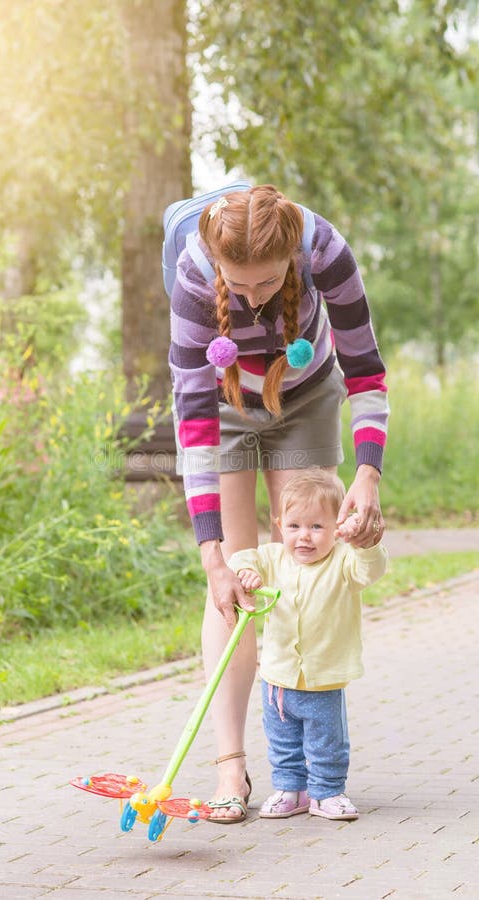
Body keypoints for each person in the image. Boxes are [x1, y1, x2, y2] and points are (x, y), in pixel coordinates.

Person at [168, 184, 389, 822]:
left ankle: (312, 763)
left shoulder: (327, 254)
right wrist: (210, 552)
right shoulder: (192, 278)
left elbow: (367, 372)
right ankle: (230, 765)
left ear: (293, 257)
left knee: (310, 563)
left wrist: (368, 474)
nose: (253, 298)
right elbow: (194, 428)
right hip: (226, 402)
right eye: (237, 287)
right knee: (238, 575)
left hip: (307, 392)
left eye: (266, 284)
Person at [228, 468, 387, 820]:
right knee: (283, 742)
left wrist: (367, 545)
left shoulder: (344, 560)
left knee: (327, 740)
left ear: (337, 527)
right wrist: (245, 574)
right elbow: (241, 557)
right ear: (280, 523)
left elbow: (370, 571)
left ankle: (327, 791)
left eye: (317, 527)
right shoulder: (272, 558)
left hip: (323, 677)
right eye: (295, 526)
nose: (305, 537)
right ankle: (291, 789)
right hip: (278, 677)